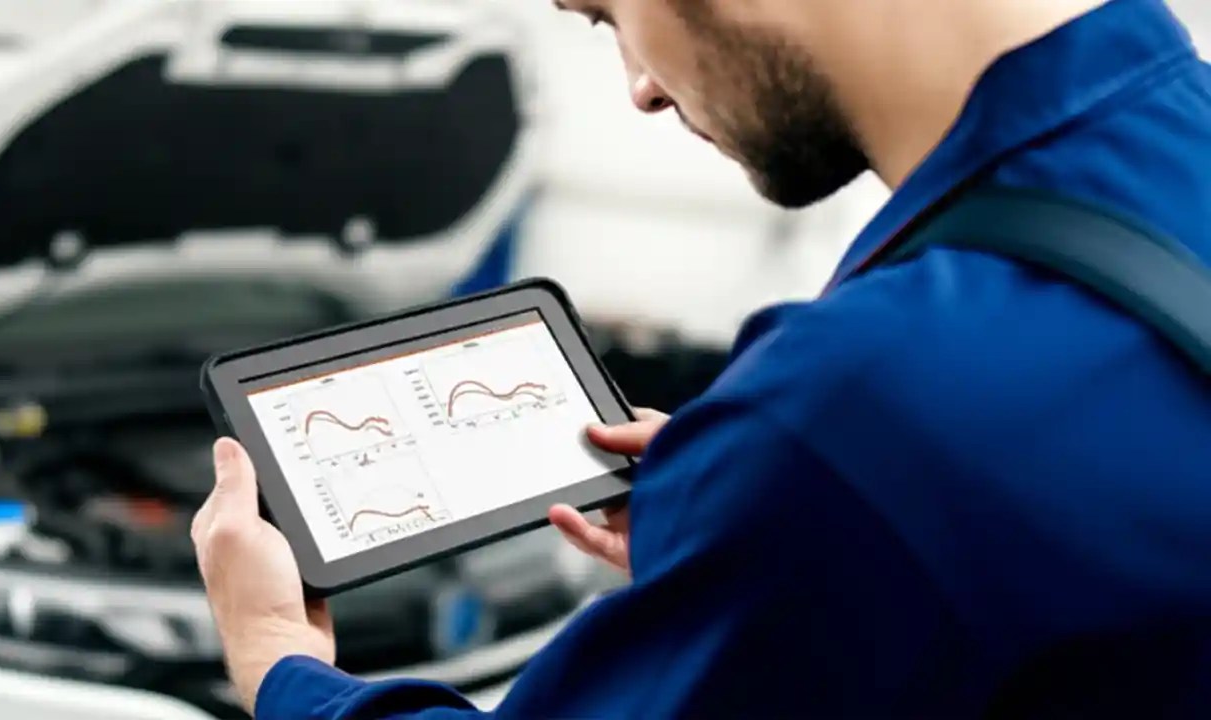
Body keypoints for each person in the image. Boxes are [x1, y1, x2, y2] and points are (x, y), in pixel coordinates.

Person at [190, 0, 1211, 717]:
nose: (637, 87)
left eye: (603, 15)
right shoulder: (1180, 136)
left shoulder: (863, 408)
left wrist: (279, 660)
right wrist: (762, 521)